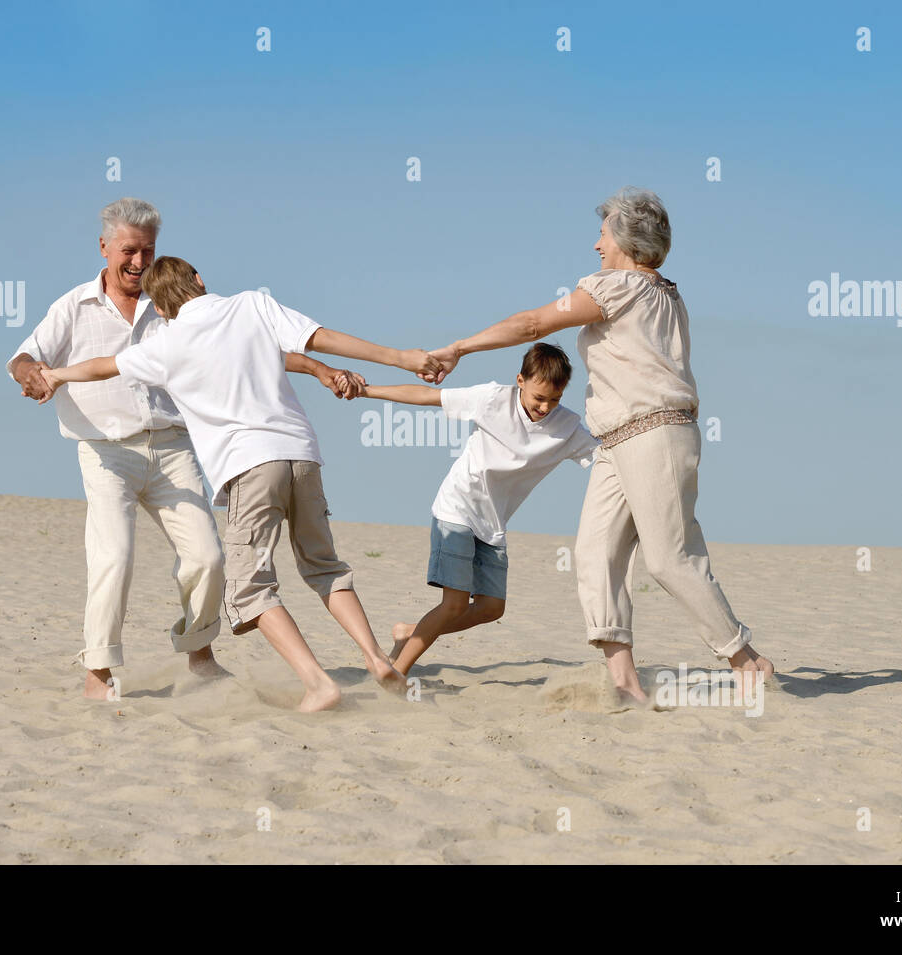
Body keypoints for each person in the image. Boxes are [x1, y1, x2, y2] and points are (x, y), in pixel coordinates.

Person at [38, 256, 440, 712]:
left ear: (160, 308)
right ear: (198, 279)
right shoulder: (252, 305)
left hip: (250, 466)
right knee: (324, 567)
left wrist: (56, 375)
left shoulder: (166, 344)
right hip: (302, 454)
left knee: (250, 588)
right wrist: (400, 357)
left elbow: (103, 367)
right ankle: (377, 658)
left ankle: (318, 684)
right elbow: (320, 337)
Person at [425, 188, 775, 705]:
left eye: (604, 234)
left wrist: (459, 347)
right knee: (595, 554)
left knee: (669, 559)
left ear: (627, 241)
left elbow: (533, 324)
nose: (596, 245)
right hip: (617, 441)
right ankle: (624, 682)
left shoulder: (619, 286)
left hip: (654, 433)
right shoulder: (662, 293)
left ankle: (746, 660)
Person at [7, 198, 361, 700]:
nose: (138, 262)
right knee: (114, 556)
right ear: (104, 247)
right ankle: (99, 673)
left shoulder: (169, 304)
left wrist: (319, 368)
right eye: (129, 251)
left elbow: (248, 347)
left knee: (208, 558)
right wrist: (31, 374)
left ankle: (199, 654)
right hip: (106, 453)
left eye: (148, 251)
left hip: (173, 448)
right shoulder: (73, 306)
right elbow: (25, 356)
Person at [358, 343, 598, 675]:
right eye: (539, 398)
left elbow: (606, 457)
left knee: (491, 608)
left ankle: (410, 632)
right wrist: (366, 391)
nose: (545, 407)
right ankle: (398, 672)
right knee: (454, 604)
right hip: (457, 508)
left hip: (493, 523)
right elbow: (427, 397)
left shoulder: (567, 427)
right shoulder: (491, 399)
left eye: (554, 400)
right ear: (520, 380)